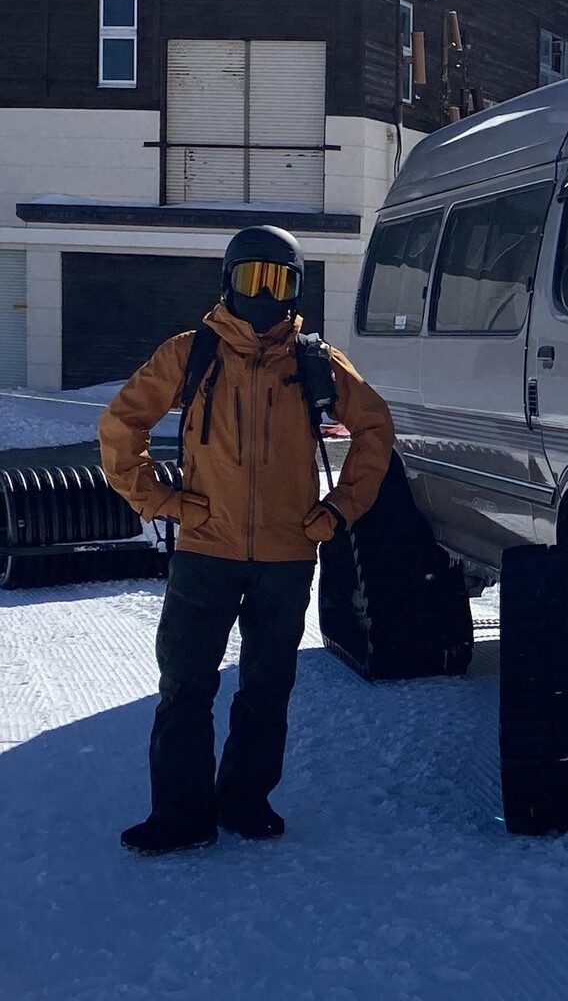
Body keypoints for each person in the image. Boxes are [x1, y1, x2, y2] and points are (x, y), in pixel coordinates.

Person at [99, 225, 395, 855]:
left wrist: (339, 511)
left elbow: (375, 431)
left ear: (295, 290)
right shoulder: (191, 352)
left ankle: (245, 799)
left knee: (266, 685)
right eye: (250, 277)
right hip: (208, 549)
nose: (263, 294)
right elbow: (121, 425)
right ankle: (181, 815)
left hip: (287, 556)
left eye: (277, 280)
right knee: (185, 684)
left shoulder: (315, 361)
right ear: (227, 281)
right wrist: (162, 501)